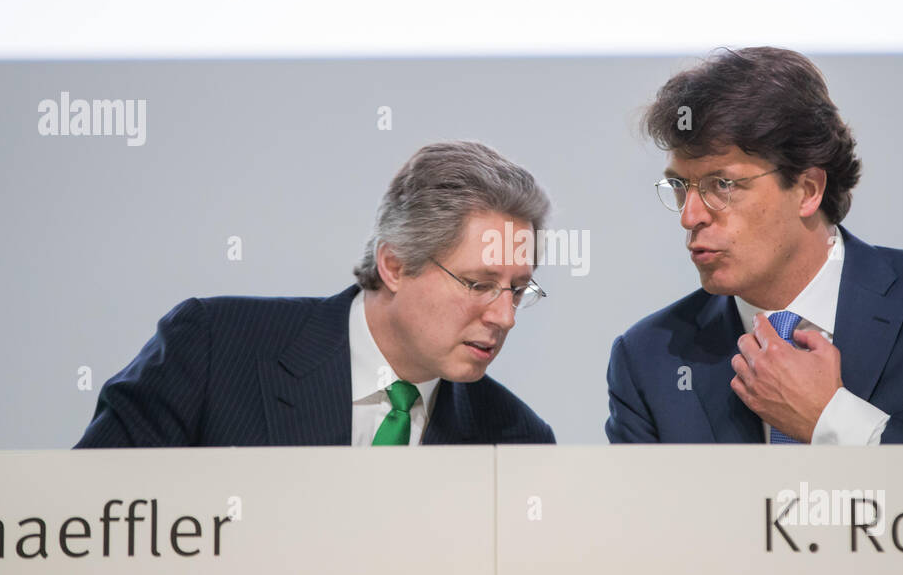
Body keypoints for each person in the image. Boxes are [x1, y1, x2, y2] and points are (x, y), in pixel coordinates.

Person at [606, 47, 903, 445]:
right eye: (681, 188)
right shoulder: (650, 359)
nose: (691, 215)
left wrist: (836, 424)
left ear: (808, 190)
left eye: (722, 184)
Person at [78, 140, 555, 447]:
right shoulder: (211, 350)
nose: (505, 317)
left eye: (516, 289)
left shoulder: (516, 440)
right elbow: (88, 524)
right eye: (480, 284)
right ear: (394, 264)